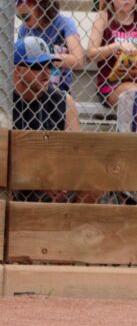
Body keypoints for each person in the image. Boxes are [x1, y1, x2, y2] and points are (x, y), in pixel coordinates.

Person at [11, 36, 90, 203]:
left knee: (95, 178)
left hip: (54, 180)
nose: (46, 71)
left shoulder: (63, 101)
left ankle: (72, 219)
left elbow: (76, 153)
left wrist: (58, 177)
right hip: (14, 181)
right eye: (37, 66)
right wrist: (38, 177)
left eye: (48, 65)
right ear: (17, 70)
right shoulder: (5, 101)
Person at [15, 0, 86, 94]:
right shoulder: (25, 29)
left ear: (40, 8)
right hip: (32, 88)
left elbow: (78, 60)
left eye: (26, 17)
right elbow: (18, 62)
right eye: (20, 17)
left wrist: (44, 59)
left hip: (59, 88)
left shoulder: (64, 23)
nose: (24, 22)